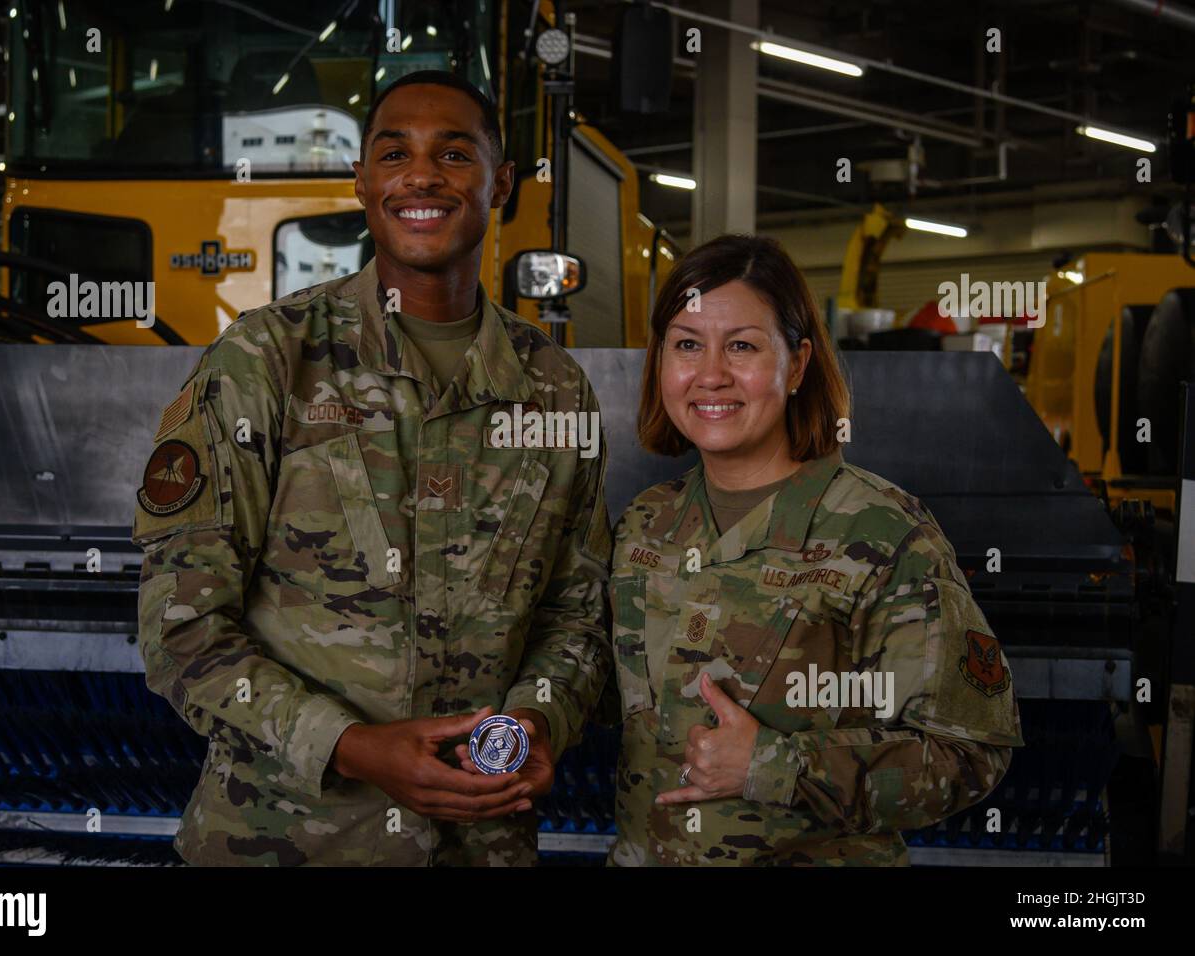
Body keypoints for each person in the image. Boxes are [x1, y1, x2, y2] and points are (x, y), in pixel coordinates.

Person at [132, 71, 611, 866]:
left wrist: (534, 722)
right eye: (395, 153)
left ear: (502, 184)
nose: (422, 175)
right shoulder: (266, 361)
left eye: (454, 153)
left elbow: (578, 616)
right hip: (284, 840)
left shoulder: (554, 388)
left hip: (479, 844)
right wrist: (353, 746)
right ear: (362, 181)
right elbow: (181, 630)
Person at [607, 234, 1022, 866]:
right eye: (687, 344)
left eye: (742, 346)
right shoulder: (646, 524)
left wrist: (775, 764)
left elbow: (968, 754)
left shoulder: (884, 534)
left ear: (797, 364)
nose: (711, 374)